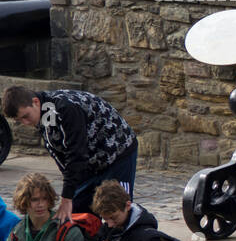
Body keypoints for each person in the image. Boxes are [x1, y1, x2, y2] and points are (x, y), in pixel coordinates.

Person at [2, 86, 138, 223]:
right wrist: (71, 191)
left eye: (26, 116)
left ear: (36, 102)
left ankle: (122, 240)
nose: (25, 123)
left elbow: (76, 154)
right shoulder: (41, 114)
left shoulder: (65, 108)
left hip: (118, 153)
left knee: (117, 208)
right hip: (90, 161)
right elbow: (60, 155)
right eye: (20, 120)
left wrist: (67, 198)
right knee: (77, 210)